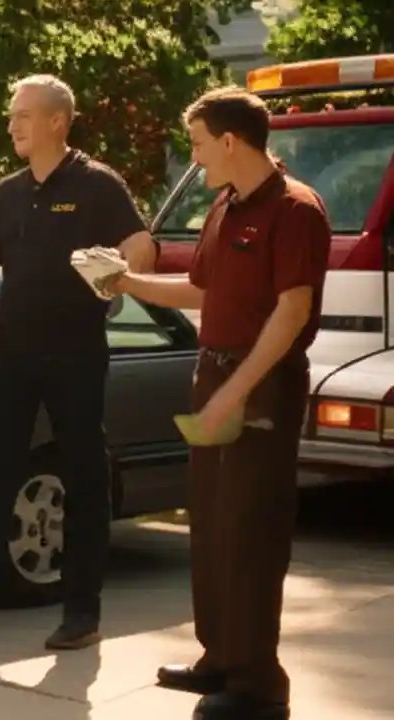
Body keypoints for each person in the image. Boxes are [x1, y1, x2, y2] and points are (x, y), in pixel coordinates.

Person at [107, 87, 330, 720]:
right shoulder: (224, 207)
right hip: (216, 375)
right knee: (210, 523)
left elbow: (292, 312)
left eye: (200, 145)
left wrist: (237, 388)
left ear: (230, 141)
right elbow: (200, 290)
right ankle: (220, 660)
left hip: (263, 386)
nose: (196, 159)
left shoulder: (297, 209)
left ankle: (259, 687)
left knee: (252, 534)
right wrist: (120, 282)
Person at [0, 74, 156, 648]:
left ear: (56, 122)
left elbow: (140, 245)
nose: (12, 124)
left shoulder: (98, 184)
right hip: (12, 356)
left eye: (22, 115)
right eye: (12, 115)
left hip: (75, 356)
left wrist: (120, 271)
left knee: (84, 477)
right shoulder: (7, 192)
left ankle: (82, 613)